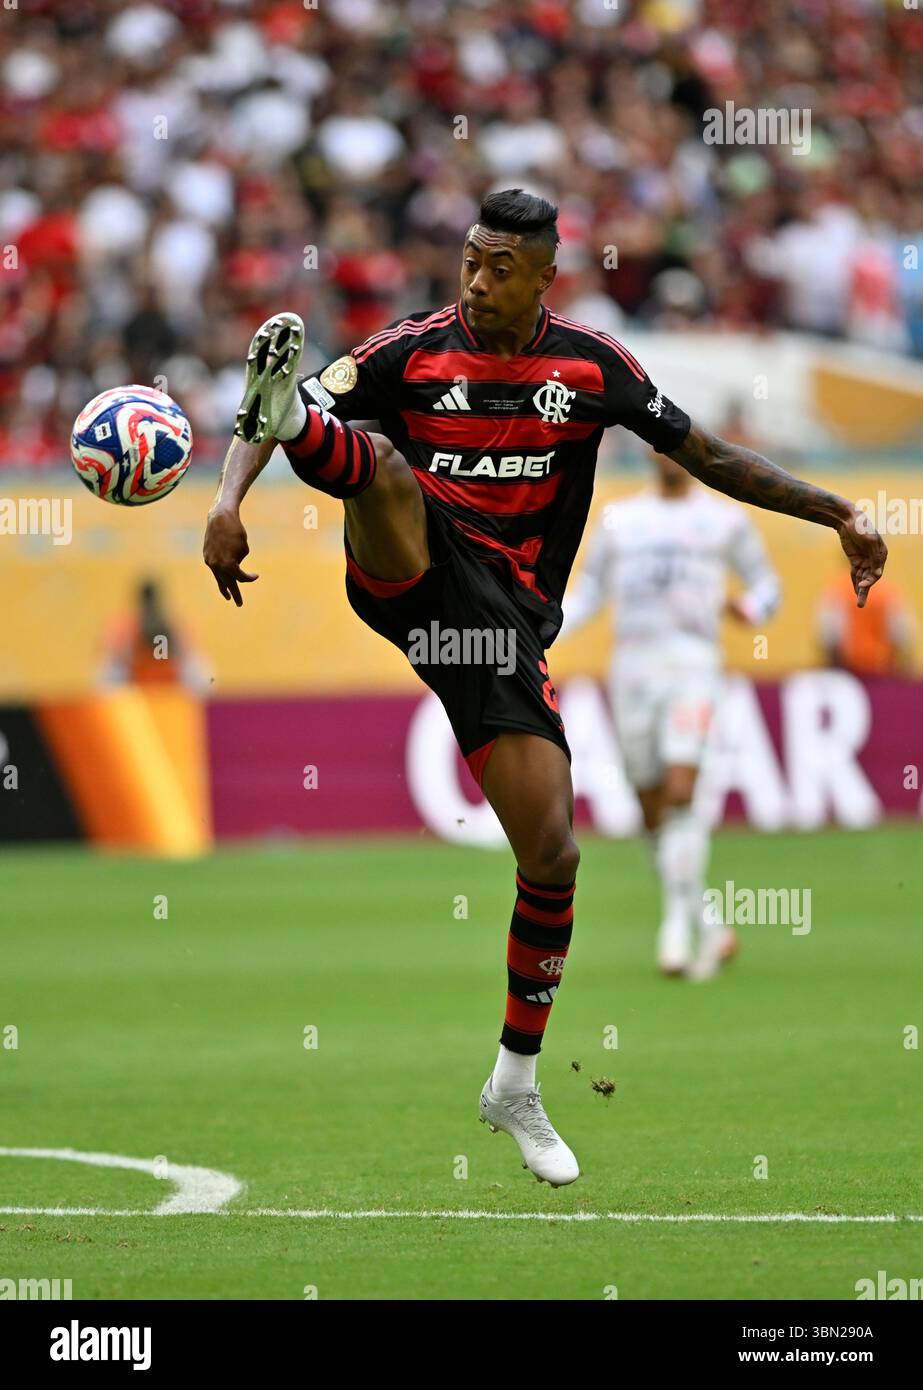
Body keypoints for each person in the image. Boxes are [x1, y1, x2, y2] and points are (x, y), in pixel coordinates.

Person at [202, 189, 887, 1188]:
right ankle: (303, 424)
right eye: (468, 260)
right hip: (411, 570)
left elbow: (710, 457)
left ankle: (512, 1082)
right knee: (381, 466)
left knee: (553, 851)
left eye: (497, 267)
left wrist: (835, 510)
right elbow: (292, 415)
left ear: (540, 275)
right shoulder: (410, 350)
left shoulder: (593, 367)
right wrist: (226, 497)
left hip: (500, 633)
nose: (475, 281)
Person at [560, 452, 781, 979]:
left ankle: (676, 928)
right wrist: (541, 633)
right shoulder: (619, 521)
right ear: (648, 454)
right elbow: (588, 594)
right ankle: (707, 921)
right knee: (650, 804)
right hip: (632, 671)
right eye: (658, 446)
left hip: (693, 666)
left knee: (682, 792)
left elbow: (768, 587)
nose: (667, 455)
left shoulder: (725, 519)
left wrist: (749, 609)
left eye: (675, 445)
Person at [817, 568, 913, 676]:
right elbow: (901, 636)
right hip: (881, 670)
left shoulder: (838, 590)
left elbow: (829, 636)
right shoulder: (887, 590)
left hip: (849, 671)